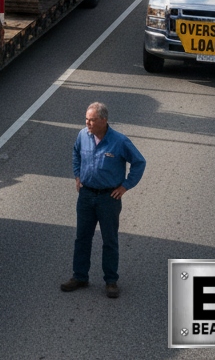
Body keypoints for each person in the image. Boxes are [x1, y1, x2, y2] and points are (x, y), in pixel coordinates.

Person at [60, 102, 146, 299]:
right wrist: (77, 175)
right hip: (86, 195)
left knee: (109, 240)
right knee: (82, 238)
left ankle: (111, 281)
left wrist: (125, 186)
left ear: (103, 120)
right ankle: (80, 276)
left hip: (109, 198)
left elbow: (139, 162)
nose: (87, 123)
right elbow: (75, 153)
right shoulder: (83, 135)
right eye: (86, 119)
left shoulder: (119, 141)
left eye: (92, 120)